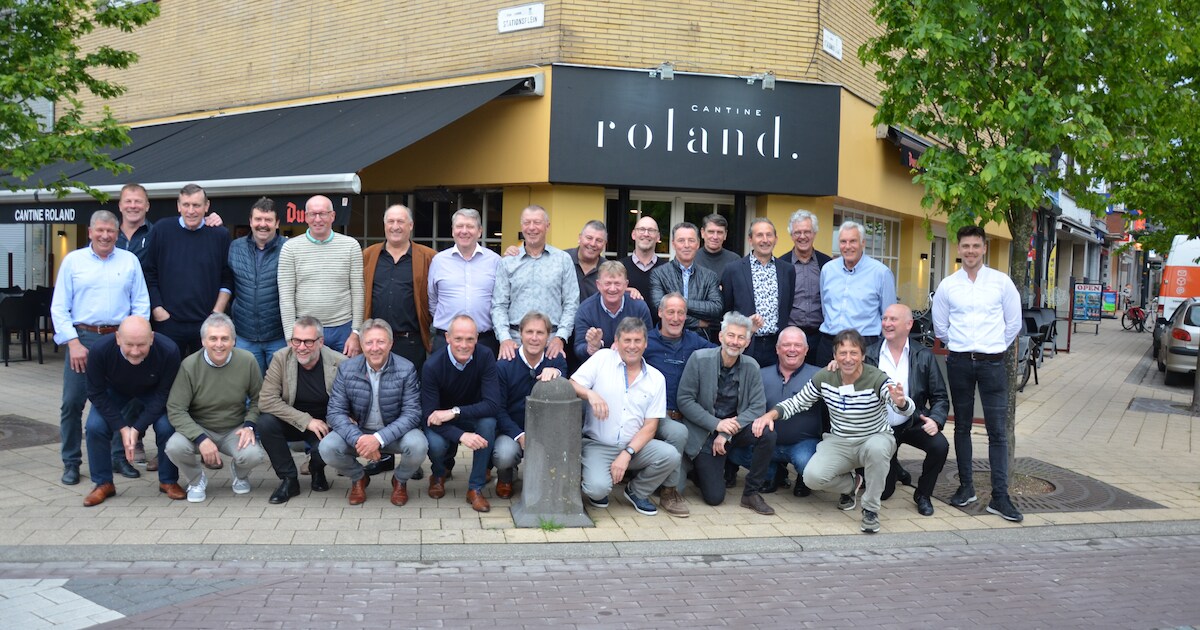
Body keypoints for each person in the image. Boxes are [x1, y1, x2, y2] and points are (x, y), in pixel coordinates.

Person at [752, 329, 912, 534]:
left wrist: (901, 402)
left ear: (863, 355)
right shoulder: (826, 377)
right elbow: (797, 402)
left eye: (853, 353)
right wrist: (770, 415)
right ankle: (851, 484)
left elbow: (900, 402)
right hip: (840, 442)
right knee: (812, 477)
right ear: (834, 356)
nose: (848, 358)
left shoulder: (876, 377)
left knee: (877, 448)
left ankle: (870, 510)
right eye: (842, 353)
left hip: (874, 437)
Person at [932, 224, 1024, 522]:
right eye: (965, 246)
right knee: (961, 426)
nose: (970, 251)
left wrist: (991, 346)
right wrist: (963, 346)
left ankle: (1000, 497)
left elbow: (1013, 324)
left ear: (984, 248)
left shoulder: (1001, 282)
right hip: (959, 362)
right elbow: (941, 328)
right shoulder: (948, 285)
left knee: (997, 431)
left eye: (976, 246)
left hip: (993, 363)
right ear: (958, 250)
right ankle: (966, 487)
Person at [50, 210, 150, 486]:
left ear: (117, 233)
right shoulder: (73, 261)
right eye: (100, 230)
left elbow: (141, 303)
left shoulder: (129, 261)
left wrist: (133, 339)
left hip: (119, 340)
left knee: (124, 401)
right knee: (72, 402)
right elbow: (59, 307)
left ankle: (118, 456)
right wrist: (72, 342)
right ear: (91, 232)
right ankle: (71, 462)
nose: (105, 235)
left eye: (110, 231)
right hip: (82, 339)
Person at [571, 317, 681, 516]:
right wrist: (590, 394)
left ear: (645, 343)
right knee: (597, 489)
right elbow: (572, 384)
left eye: (637, 341)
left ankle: (637, 491)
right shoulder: (602, 358)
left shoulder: (656, 378)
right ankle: (597, 484)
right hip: (599, 444)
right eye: (627, 340)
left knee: (670, 455)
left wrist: (627, 453)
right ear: (617, 341)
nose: (632, 346)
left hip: (635, 447)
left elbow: (650, 426)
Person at [319, 319, 427, 507]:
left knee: (418, 445)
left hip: (393, 433)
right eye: (369, 342)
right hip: (359, 433)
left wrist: (378, 439)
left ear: (391, 344)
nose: (374, 348)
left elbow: (412, 413)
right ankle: (358, 477)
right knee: (327, 447)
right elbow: (335, 412)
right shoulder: (346, 369)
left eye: (381, 342)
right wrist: (359, 440)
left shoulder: (406, 368)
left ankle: (400, 480)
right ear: (361, 344)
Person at [676, 312, 775, 515]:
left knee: (767, 433)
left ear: (747, 342)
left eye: (741, 337)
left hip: (734, 430)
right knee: (714, 498)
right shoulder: (699, 359)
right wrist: (716, 425)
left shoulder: (751, 366)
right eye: (731, 335)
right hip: (705, 431)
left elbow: (757, 407)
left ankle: (751, 493)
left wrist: (727, 431)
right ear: (720, 337)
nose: (735, 342)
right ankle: (699, 467)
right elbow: (685, 400)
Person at [81, 316, 183, 506]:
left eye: (141, 345)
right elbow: (95, 393)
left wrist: (136, 428)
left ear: (152, 338)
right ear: (118, 338)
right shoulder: (100, 350)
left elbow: (165, 394)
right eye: (129, 344)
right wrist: (122, 427)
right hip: (115, 391)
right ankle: (103, 483)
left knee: (167, 427)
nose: (135, 351)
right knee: (94, 427)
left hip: (153, 392)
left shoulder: (169, 350)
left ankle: (168, 481)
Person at [164, 314, 267, 503]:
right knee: (174, 447)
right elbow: (176, 408)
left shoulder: (247, 360)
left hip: (234, 428)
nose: (219, 344)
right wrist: (200, 438)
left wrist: (249, 425)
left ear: (233, 341)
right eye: (213, 338)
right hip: (199, 427)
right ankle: (196, 479)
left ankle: (240, 473)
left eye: (224, 338)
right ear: (203, 341)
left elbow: (258, 398)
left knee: (253, 455)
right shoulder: (189, 365)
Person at [865, 304, 950, 517]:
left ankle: (922, 494)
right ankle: (895, 468)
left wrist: (936, 420)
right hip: (881, 428)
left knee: (940, 445)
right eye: (884, 319)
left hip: (912, 421)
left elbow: (940, 396)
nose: (887, 323)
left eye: (893, 319)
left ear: (909, 324)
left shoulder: (924, 355)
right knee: (884, 493)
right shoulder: (869, 355)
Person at [257, 316, 347, 504]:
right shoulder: (281, 358)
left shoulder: (340, 363)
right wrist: (307, 421)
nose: (301, 347)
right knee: (265, 422)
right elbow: (266, 400)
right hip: (292, 420)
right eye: (296, 340)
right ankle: (289, 480)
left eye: (308, 341)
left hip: (325, 424)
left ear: (321, 342)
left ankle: (317, 469)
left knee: (327, 445)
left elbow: (350, 403)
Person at [642, 292, 715, 518]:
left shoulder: (696, 342)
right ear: (660, 313)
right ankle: (669, 492)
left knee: (690, 482)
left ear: (686, 316)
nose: (675, 318)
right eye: (670, 312)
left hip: (686, 415)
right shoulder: (646, 341)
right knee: (677, 433)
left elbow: (722, 355)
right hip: (656, 416)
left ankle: (674, 477)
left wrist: (743, 335)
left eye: (680, 313)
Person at [728, 327, 823, 497]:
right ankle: (773, 473)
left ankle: (804, 477)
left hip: (802, 443)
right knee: (735, 452)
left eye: (797, 345)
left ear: (806, 350)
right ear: (777, 349)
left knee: (805, 463)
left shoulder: (819, 375)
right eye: (786, 345)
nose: (792, 349)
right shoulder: (760, 374)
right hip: (766, 443)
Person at [142, 183, 234, 358]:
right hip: (168, 323)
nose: (191, 210)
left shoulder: (219, 235)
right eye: (186, 205)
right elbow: (149, 273)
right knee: (167, 376)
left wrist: (216, 312)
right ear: (178, 206)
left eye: (196, 205)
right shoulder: (162, 230)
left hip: (206, 323)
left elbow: (227, 277)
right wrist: (158, 310)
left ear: (206, 206)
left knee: (206, 377)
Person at [421, 315, 502, 512]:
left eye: (469, 339)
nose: (464, 345)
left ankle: (475, 488)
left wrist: (454, 412)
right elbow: (430, 416)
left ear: (477, 338)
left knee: (488, 423)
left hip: (467, 415)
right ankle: (439, 473)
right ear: (447, 337)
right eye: (458, 339)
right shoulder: (432, 365)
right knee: (436, 444)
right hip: (439, 422)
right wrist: (462, 436)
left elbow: (492, 404)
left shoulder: (485, 356)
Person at [277, 194, 364, 357]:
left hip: (343, 330)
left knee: (345, 379)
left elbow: (358, 292)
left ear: (332, 216)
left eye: (323, 213)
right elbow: (286, 297)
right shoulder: (290, 248)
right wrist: (290, 337)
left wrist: (356, 333)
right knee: (308, 381)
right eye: (313, 214)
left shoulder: (351, 246)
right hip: (305, 331)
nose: (318, 219)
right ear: (306, 217)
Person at [493, 311, 568, 499]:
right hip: (513, 430)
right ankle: (505, 476)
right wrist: (519, 435)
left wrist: (557, 374)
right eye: (529, 332)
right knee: (504, 454)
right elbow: (498, 409)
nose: (534, 338)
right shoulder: (504, 365)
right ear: (520, 333)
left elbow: (566, 394)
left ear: (548, 336)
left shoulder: (556, 360)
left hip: (546, 431)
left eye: (540, 333)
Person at [492, 205, 578, 361]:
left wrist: (561, 338)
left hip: (551, 343)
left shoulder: (563, 260)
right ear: (521, 226)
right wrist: (504, 339)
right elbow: (499, 305)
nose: (532, 228)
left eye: (537, 222)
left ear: (547, 226)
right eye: (527, 222)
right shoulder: (508, 262)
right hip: (513, 344)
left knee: (551, 385)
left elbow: (571, 303)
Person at [362, 204, 436, 372]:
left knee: (409, 393)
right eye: (391, 221)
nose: (395, 226)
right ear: (385, 225)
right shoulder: (368, 255)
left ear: (410, 226)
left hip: (410, 342)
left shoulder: (428, 257)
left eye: (401, 221)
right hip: (374, 341)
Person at [814, 221, 897, 366]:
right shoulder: (828, 270)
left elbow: (889, 316)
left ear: (863, 243)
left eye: (853, 241)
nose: (847, 246)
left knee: (861, 388)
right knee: (825, 387)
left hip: (865, 344)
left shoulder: (881, 273)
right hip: (829, 344)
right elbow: (825, 306)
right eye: (843, 242)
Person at [720, 218, 795, 368]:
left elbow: (787, 305)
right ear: (750, 239)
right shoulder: (733, 270)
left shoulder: (787, 270)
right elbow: (727, 309)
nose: (765, 240)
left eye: (769, 235)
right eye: (759, 235)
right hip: (745, 344)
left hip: (777, 345)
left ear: (776, 239)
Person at [428, 208, 501, 356]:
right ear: (453, 230)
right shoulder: (439, 261)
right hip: (446, 341)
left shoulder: (495, 261)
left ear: (479, 231)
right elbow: (432, 299)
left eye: (470, 226)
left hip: (484, 340)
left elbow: (500, 299)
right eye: (459, 226)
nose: (464, 231)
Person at [227, 197, 288, 374]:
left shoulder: (288, 248)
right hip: (244, 335)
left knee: (280, 387)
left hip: (279, 336)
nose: (263, 224)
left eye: (268, 220)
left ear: (276, 223)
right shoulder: (235, 247)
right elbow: (227, 282)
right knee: (249, 390)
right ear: (250, 221)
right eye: (258, 219)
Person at [649, 222, 723, 340]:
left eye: (691, 240)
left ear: (698, 244)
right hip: (667, 340)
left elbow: (715, 308)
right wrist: (698, 322)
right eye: (681, 240)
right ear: (673, 244)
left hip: (701, 339)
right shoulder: (659, 274)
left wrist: (676, 306)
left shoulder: (709, 276)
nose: (686, 245)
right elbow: (659, 308)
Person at [115, 182, 223, 262]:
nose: (133, 206)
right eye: (128, 201)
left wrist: (206, 220)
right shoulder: (107, 236)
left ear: (147, 206)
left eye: (138, 201)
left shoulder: (160, 234)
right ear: (120, 206)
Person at [780, 210, 832, 363]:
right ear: (791, 235)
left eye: (807, 232)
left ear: (814, 233)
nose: (802, 236)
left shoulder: (827, 264)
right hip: (791, 338)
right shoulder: (781, 265)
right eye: (797, 232)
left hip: (821, 337)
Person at [574, 261, 654, 360]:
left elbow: (650, 341)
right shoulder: (586, 309)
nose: (612, 289)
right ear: (598, 285)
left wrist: (626, 347)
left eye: (617, 283)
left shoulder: (639, 307)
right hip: (598, 367)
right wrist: (592, 347)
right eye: (608, 283)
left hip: (631, 365)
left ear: (626, 285)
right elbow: (578, 348)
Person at [620, 216, 666, 316]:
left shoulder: (668, 269)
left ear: (658, 237)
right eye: (641, 230)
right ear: (633, 234)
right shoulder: (620, 267)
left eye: (651, 230)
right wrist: (624, 290)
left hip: (659, 330)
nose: (646, 234)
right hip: (626, 330)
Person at [565, 220, 609, 303]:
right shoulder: (563, 260)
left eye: (599, 240)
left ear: (604, 244)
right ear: (580, 238)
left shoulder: (608, 269)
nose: (593, 244)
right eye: (589, 238)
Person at [695, 213, 742, 278]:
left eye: (719, 232)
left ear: (725, 235)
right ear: (702, 233)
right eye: (711, 232)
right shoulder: (692, 259)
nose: (715, 237)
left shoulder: (735, 260)